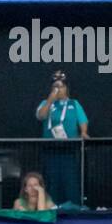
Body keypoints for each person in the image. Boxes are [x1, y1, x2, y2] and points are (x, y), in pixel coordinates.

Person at [35, 71, 87, 206]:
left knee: (70, 182)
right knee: (52, 182)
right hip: (50, 149)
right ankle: (52, 208)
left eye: (61, 86)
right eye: (55, 87)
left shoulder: (74, 103)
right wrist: (50, 100)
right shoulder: (45, 103)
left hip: (69, 149)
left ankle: (74, 209)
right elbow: (41, 116)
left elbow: (82, 120)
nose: (58, 89)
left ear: (67, 88)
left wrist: (83, 132)